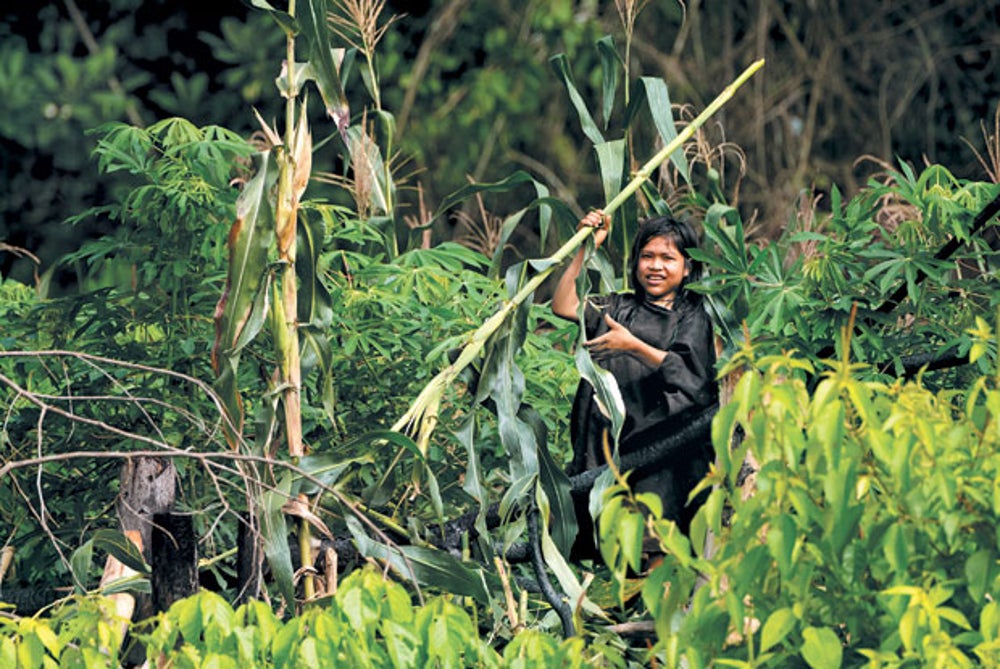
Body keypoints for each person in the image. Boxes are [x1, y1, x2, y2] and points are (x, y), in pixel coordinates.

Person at [552, 210, 718, 554]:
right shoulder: (618, 306)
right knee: (611, 549)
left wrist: (635, 347)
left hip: (662, 456)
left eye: (667, 258)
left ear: (687, 267)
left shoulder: (693, 317)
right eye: (647, 256)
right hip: (609, 449)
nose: (655, 266)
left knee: (656, 549)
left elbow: (693, 381)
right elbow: (564, 304)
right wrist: (587, 247)